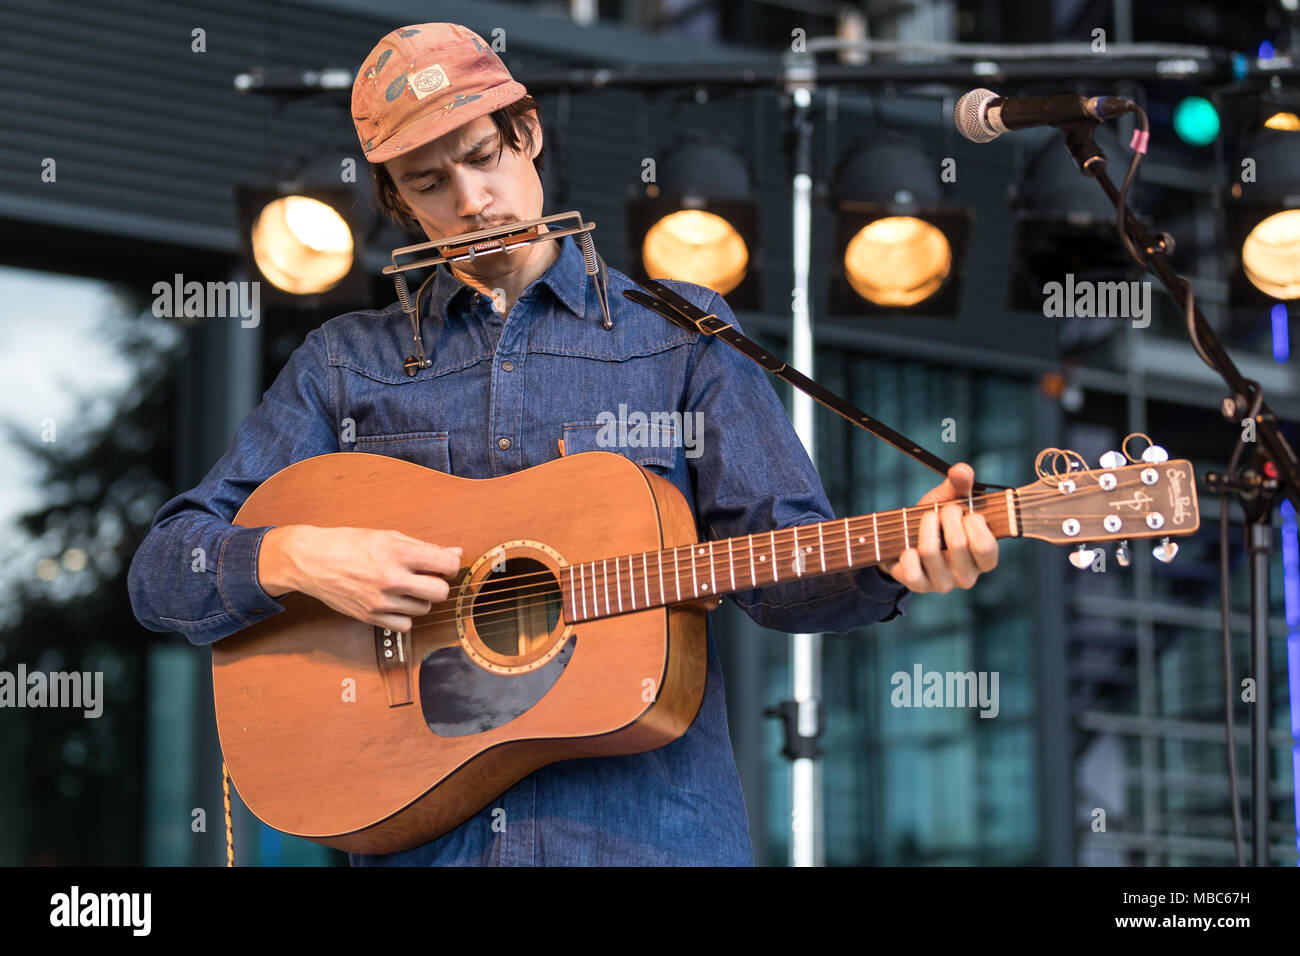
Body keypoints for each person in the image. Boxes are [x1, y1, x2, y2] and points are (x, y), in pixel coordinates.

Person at [127, 22, 998, 866]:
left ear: (528, 132)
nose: (470, 201)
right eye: (430, 184)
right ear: (397, 202)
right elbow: (164, 573)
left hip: (646, 841)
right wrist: (300, 557)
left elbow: (779, 584)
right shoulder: (343, 365)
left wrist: (894, 561)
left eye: (482, 156)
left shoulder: (680, 332)